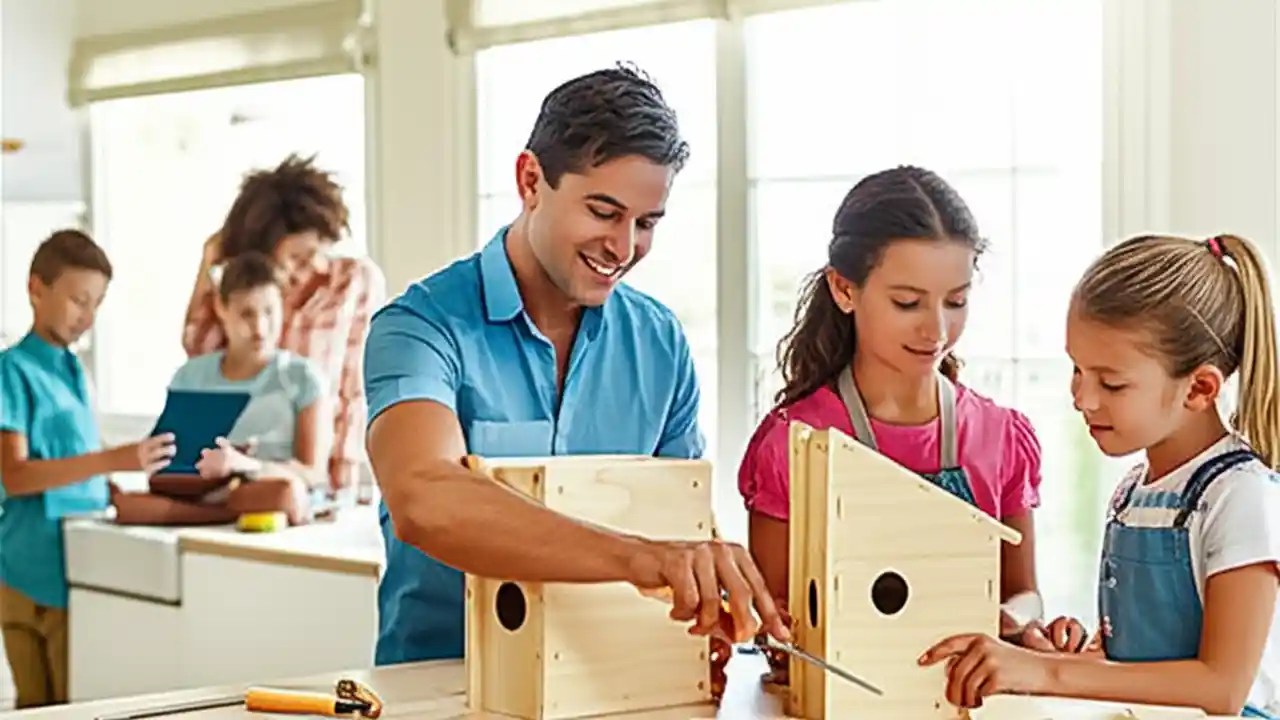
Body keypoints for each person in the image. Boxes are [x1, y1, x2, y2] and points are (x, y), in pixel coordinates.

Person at [363, 63, 787, 666]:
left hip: (613, 684)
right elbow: (424, 499)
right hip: (444, 685)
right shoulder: (420, 327)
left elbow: (677, 515)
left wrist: (706, 598)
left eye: (646, 223)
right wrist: (642, 557)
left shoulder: (660, 342)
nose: (623, 247)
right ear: (531, 180)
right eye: (603, 211)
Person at [920, 234, 1280, 717]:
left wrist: (1045, 673)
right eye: (1077, 370)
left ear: (1199, 388)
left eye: (1111, 382)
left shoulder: (1241, 497)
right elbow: (1145, 669)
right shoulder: (1134, 491)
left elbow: (1221, 688)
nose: (1082, 398)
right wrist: (1071, 654)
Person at [737, 165, 1045, 682]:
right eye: (907, 303)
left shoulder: (1001, 437)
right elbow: (777, 627)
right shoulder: (792, 443)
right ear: (844, 290)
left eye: (957, 301)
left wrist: (1010, 623)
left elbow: (1027, 594)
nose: (937, 330)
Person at [0, 230, 176, 708]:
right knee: (42, 707)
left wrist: (111, 481)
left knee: (83, 702)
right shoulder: (11, 371)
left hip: (85, 560)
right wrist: (114, 458)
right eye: (79, 300)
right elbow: (15, 475)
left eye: (97, 303)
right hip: (29, 568)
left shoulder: (74, 371)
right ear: (36, 288)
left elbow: (73, 459)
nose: (87, 317)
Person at [183, 153, 385, 495]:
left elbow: (356, 387)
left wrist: (344, 472)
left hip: (318, 472)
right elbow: (199, 349)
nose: (308, 268)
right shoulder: (256, 295)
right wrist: (208, 261)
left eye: (314, 252)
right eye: (293, 259)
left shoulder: (355, 281)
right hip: (245, 469)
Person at [112, 252, 330, 527]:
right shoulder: (191, 376)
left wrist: (243, 465)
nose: (260, 328)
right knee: (127, 505)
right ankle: (220, 514)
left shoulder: (302, 377)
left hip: (262, 489)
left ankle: (207, 513)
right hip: (199, 491)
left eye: (269, 312)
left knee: (287, 494)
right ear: (221, 308)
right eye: (246, 314)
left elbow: (313, 473)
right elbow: (167, 461)